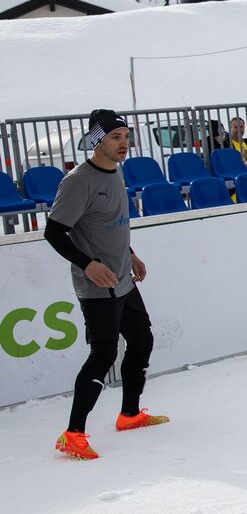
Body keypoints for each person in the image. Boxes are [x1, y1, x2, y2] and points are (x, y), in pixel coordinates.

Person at [44, 109, 169, 460]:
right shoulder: (78, 180)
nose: (123, 144)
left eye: (126, 137)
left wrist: (130, 254)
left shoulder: (116, 171)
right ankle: (73, 433)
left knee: (142, 340)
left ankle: (129, 414)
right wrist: (88, 264)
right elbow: (53, 232)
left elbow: (112, 222)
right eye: (115, 137)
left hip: (123, 279)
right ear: (97, 140)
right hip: (98, 286)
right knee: (103, 353)